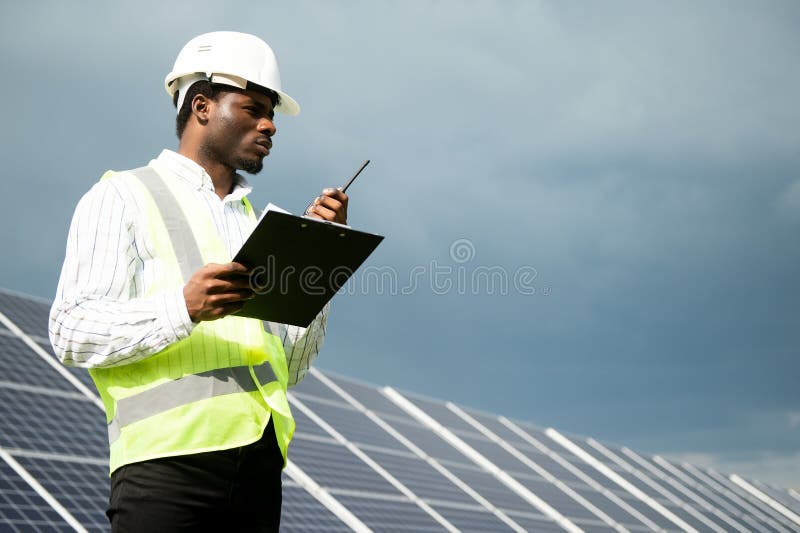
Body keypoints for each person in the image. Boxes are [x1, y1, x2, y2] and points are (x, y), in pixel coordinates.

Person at [48, 31, 347, 532]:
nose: (270, 125)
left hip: (258, 472)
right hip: (164, 469)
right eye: (253, 109)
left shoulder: (258, 227)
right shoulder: (122, 196)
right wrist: (183, 307)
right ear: (202, 106)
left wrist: (317, 262)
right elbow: (71, 330)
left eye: (271, 114)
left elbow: (291, 367)